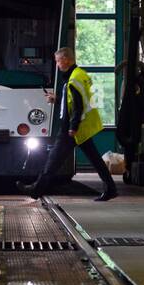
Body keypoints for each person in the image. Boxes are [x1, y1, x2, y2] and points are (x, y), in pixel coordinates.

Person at [24, 47, 118, 201]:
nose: (57, 65)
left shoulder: (73, 80)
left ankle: (36, 189)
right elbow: (73, 101)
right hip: (81, 126)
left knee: (53, 160)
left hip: (72, 128)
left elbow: (78, 106)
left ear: (66, 60)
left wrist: (73, 127)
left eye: (58, 61)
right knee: (94, 159)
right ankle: (111, 188)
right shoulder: (79, 75)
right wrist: (57, 99)